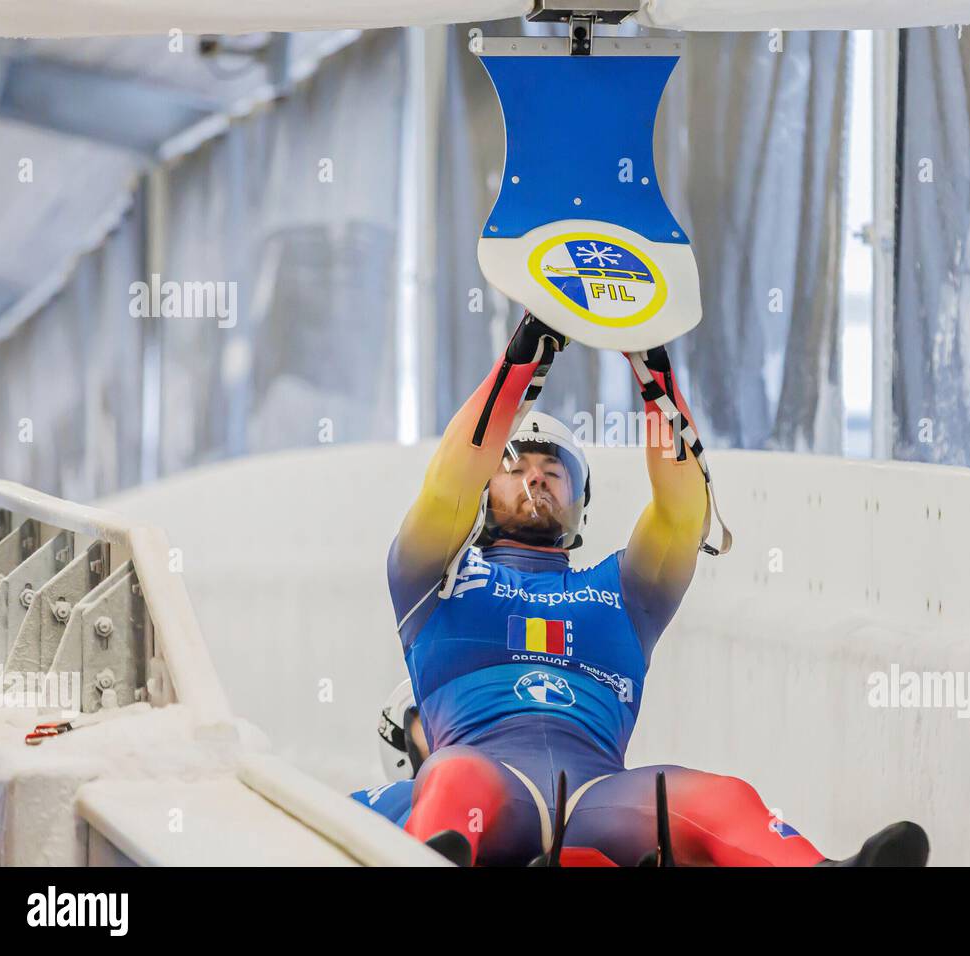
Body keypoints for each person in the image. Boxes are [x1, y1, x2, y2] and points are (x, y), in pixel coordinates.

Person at [352, 312, 928, 867]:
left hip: (603, 796)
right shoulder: (434, 578)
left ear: (579, 502)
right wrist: (523, 358)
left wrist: (652, 367)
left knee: (724, 796)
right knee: (454, 776)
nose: (535, 477)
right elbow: (446, 483)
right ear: (482, 489)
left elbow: (681, 515)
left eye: (554, 472)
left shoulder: (620, 592)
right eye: (515, 465)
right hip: (487, 784)